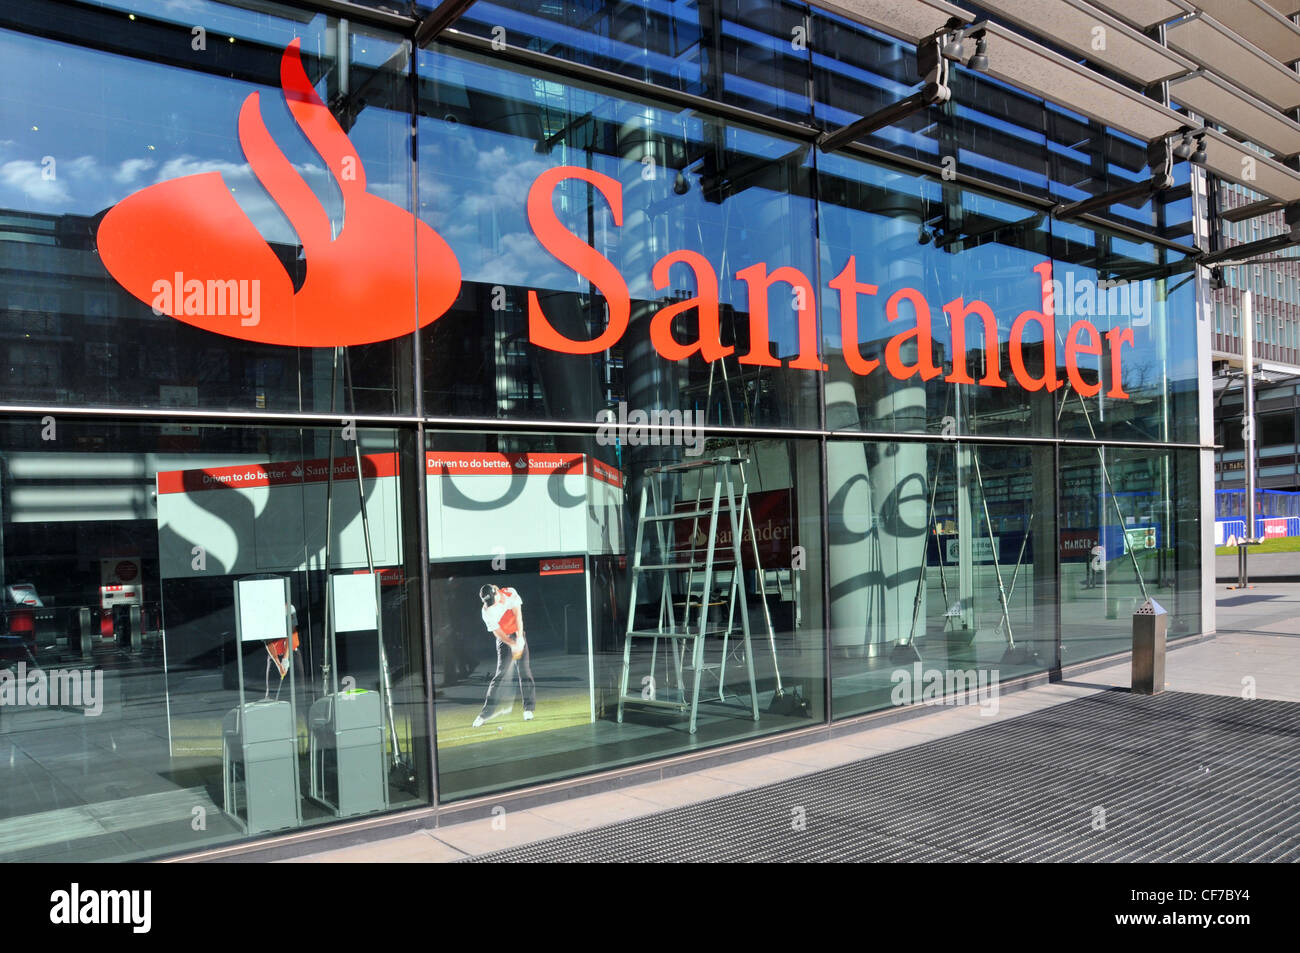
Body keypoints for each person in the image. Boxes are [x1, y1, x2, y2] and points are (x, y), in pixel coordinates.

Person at [473, 583, 536, 727]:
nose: (490, 604)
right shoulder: (486, 610)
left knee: (525, 671)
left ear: (496, 592)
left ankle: (528, 709)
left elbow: (518, 616)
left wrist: (519, 638)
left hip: (518, 633)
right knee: (500, 675)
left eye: (491, 600)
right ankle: (484, 715)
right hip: (504, 639)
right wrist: (512, 644)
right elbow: (497, 632)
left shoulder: (510, 593)